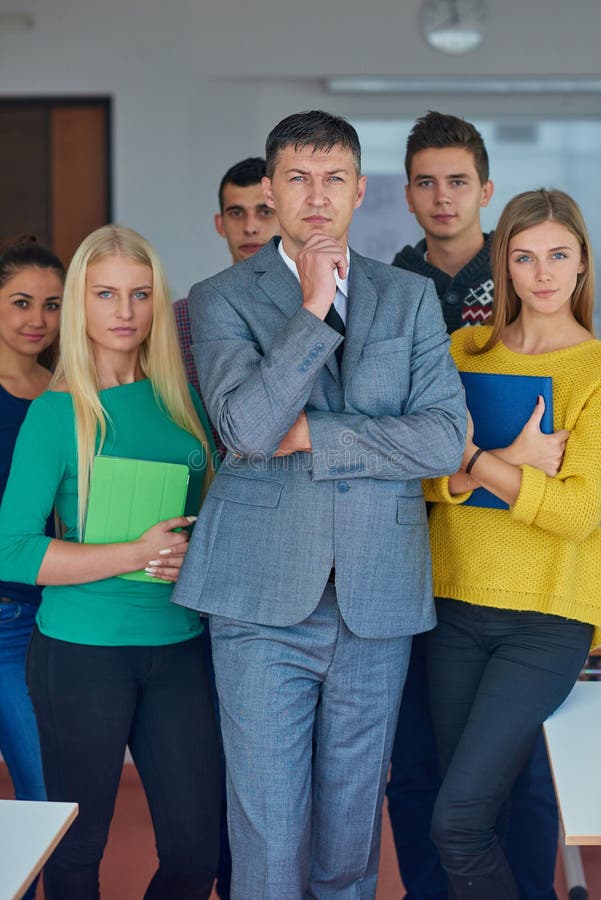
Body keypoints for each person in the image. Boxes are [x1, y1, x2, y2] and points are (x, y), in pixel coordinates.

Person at [172, 109, 466, 899]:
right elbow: (247, 425)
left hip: (375, 599)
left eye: (333, 178)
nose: (315, 196)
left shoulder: (406, 299)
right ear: (269, 189)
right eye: (296, 178)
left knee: (346, 844)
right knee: (267, 839)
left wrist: (318, 435)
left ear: (358, 190)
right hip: (259, 602)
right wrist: (309, 313)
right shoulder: (221, 296)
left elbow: (443, 440)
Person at [0, 225, 221, 900]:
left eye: (139, 294)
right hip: (79, 652)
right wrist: (133, 552)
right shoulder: (56, 412)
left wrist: (195, 558)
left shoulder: (185, 406)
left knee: (195, 851)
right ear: (81, 305)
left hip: (179, 648)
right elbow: (13, 549)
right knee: (77, 852)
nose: (123, 311)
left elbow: (213, 525)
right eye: (105, 294)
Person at [388, 111, 559, 900]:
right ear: (408, 193)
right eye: (425, 181)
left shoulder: (529, 283)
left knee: (513, 767)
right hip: (412, 547)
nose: (442, 196)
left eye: (457, 181)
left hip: (519, 555)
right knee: (417, 759)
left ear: (485, 190)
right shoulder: (389, 286)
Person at [423, 188, 601, 899]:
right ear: (503, 267)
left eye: (558, 255)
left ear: (582, 263)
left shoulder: (593, 370)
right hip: (452, 605)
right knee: (476, 815)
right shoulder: (462, 349)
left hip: (546, 619)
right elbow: (421, 479)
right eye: (523, 257)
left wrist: (482, 463)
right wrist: (514, 465)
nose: (542, 273)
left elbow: (577, 512)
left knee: (457, 822)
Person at [0, 235, 64, 900]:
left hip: (27, 624)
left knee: (44, 797)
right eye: (20, 302)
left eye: (50, 305)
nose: (36, 320)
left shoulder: (64, 394)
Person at [174, 157, 280, 394]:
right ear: (220, 224)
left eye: (264, 211)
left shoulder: (316, 307)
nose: (250, 227)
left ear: (286, 218)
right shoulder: (182, 316)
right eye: (236, 213)